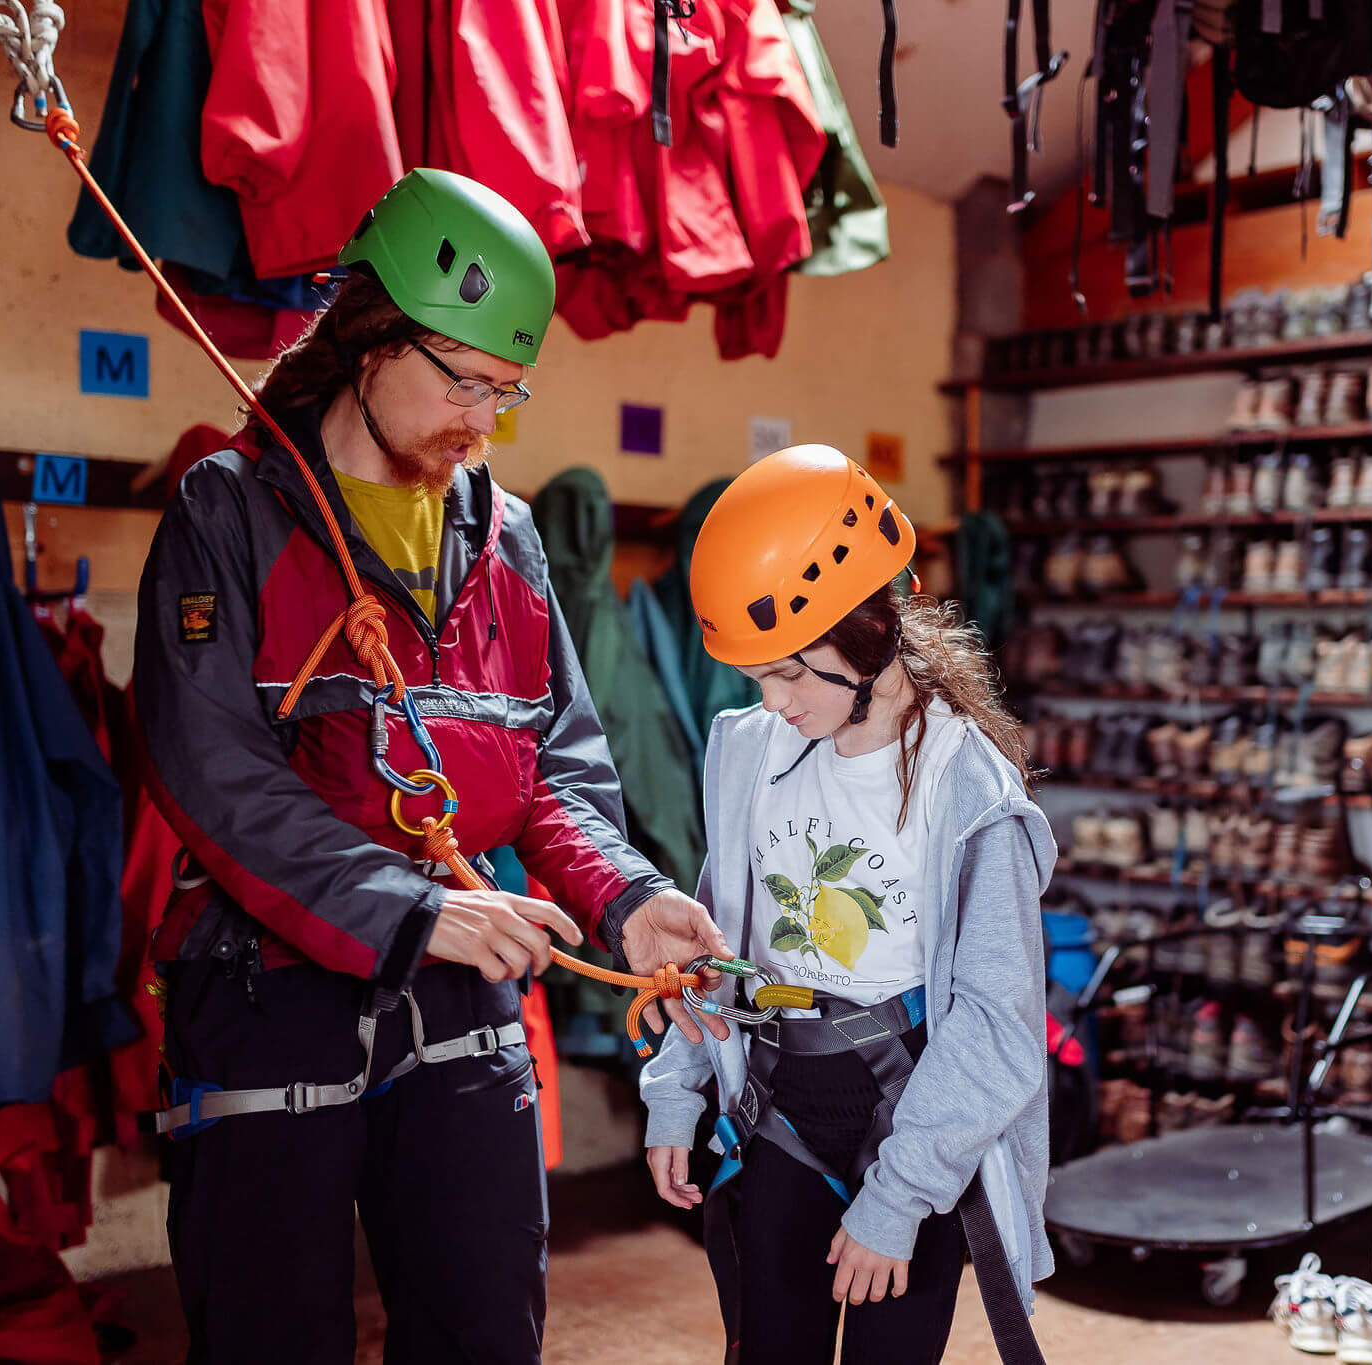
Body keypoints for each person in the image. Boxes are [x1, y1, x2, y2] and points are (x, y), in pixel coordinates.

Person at [133, 168, 729, 1364]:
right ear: (371, 337)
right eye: (464, 381)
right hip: (267, 989)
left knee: (483, 1331)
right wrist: (409, 910)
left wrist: (625, 897)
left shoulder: (506, 535)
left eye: (505, 392)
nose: (483, 421)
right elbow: (213, 771)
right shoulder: (230, 509)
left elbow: (554, 761)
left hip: (464, 988)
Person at [639, 445, 1058, 1364]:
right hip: (780, 1106)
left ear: (868, 631)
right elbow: (715, 945)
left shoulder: (965, 784)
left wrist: (899, 1197)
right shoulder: (748, 751)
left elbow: (997, 1022)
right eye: (757, 676)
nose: (772, 701)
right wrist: (677, 1088)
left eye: (790, 671)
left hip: (916, 1116)